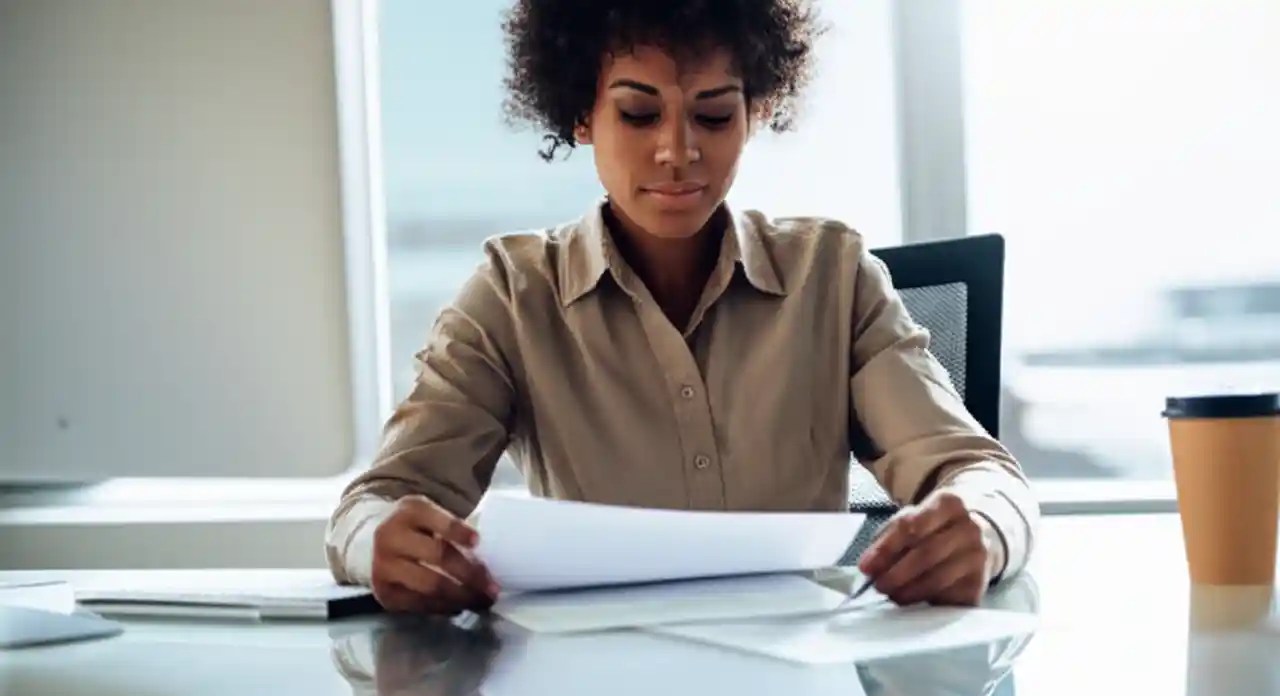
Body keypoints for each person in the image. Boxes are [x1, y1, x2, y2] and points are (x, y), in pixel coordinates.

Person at [327, 0, 1039, 616]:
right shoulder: (514, 296)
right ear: (581, 114)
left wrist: (980, 525)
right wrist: (380, 542)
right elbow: (377, 501)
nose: (677, 151)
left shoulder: (834, 277)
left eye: (714, 114)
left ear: (756, 111)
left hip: (804, 690)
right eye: (638, 114)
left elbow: (981, 473)